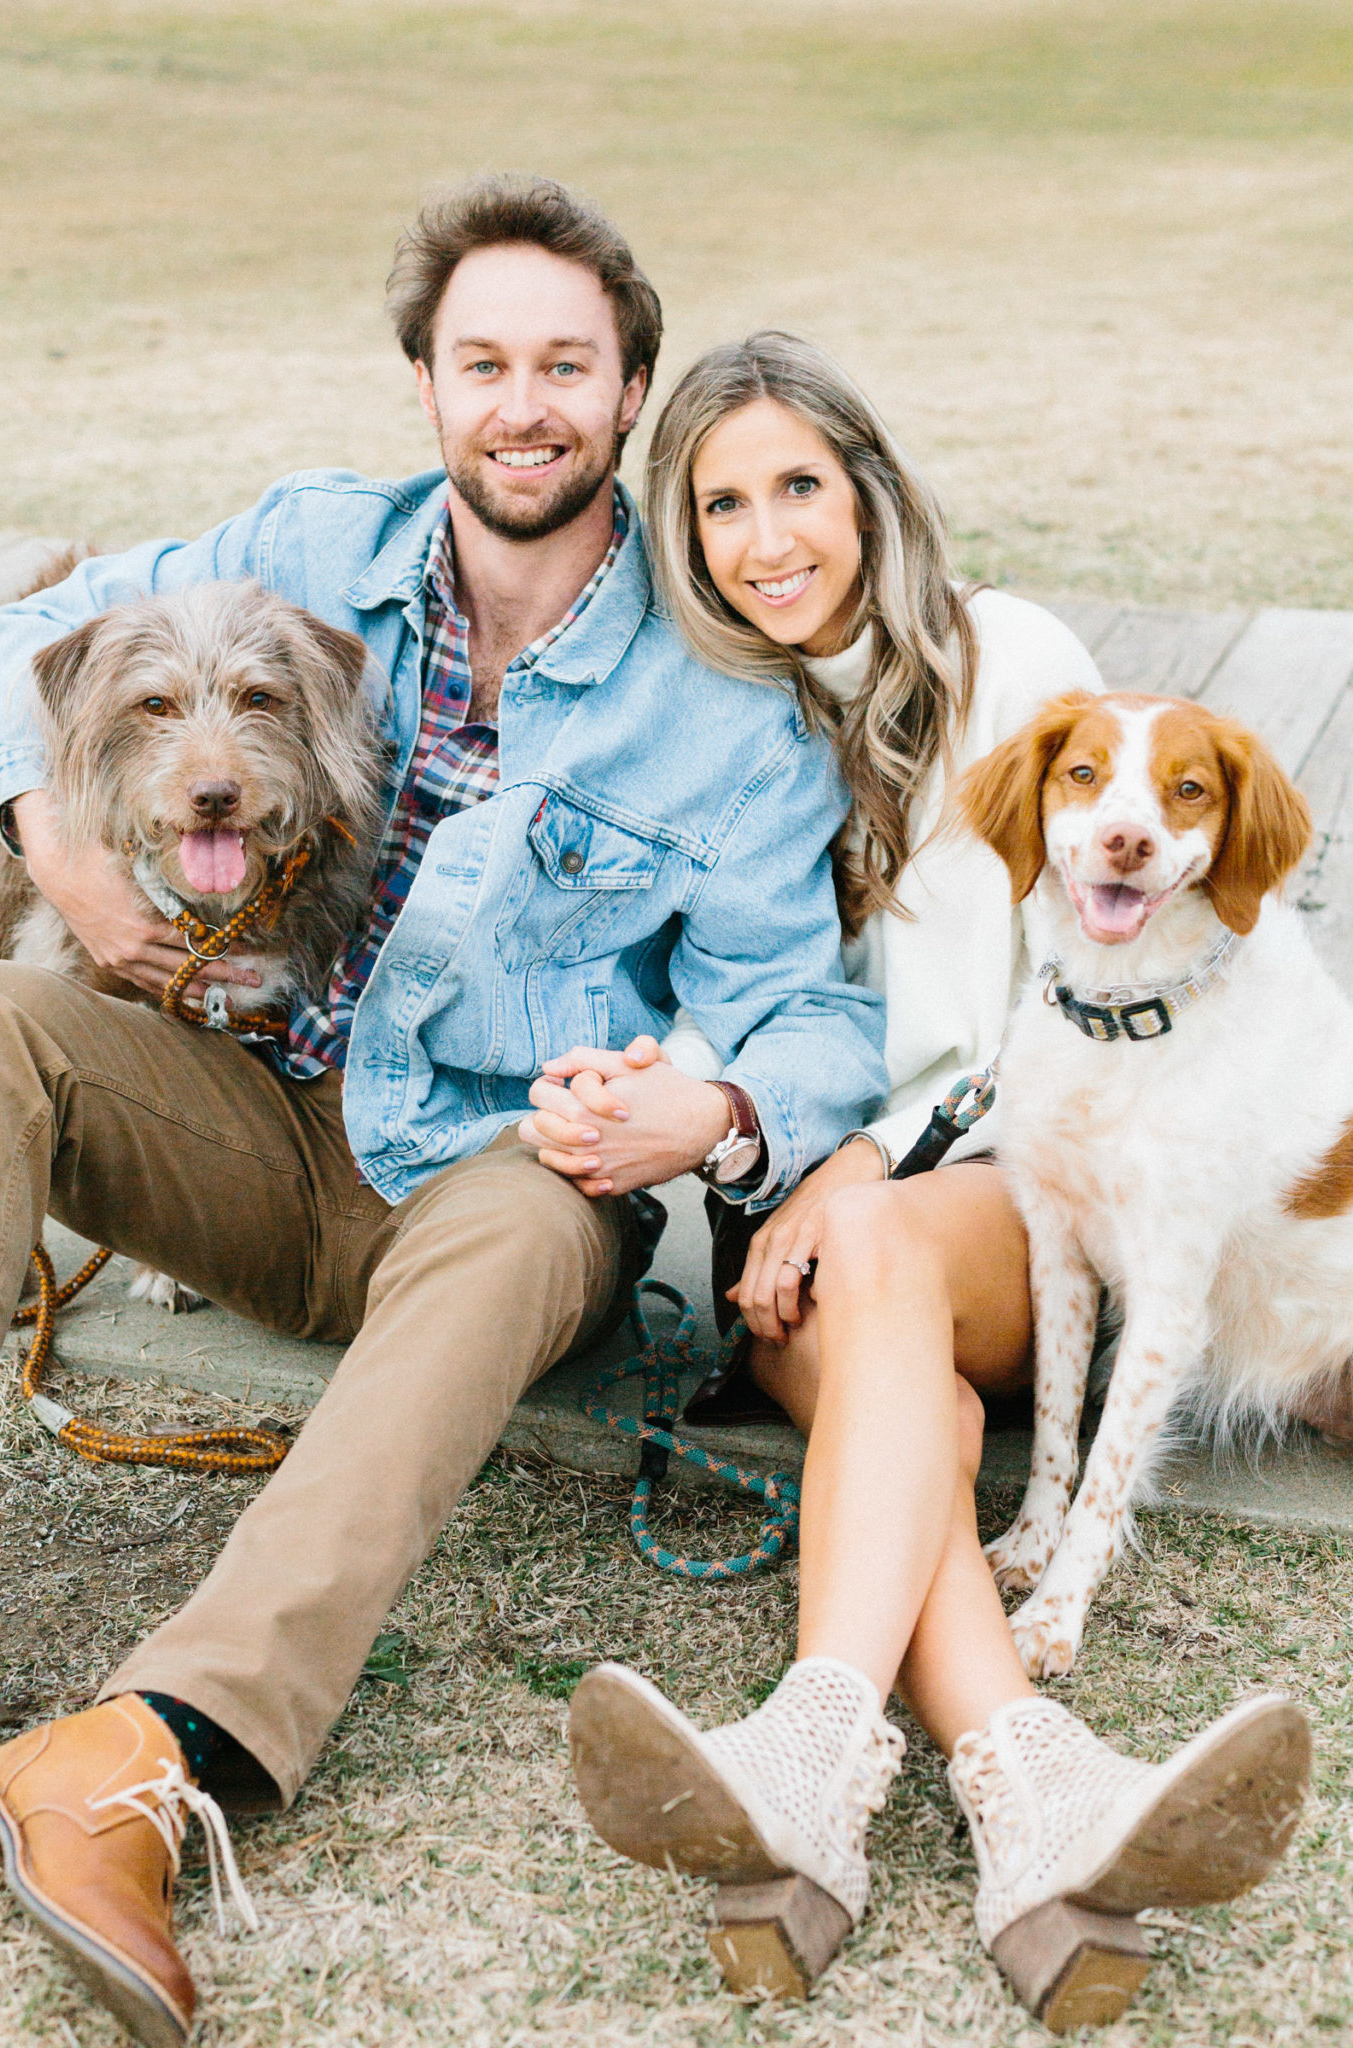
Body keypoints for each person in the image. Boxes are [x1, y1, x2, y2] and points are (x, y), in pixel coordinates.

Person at [0, 193, 887, 2048]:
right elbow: (40, 634)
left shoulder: (729, 709)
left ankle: (154, 1751)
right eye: (484, 365)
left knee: (528, 1214)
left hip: (498, 1193)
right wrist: (63, 861)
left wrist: (713, 1103)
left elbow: (821, 1014)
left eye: (566, 369)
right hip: (257, 1137)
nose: (524, 407)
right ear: (427, 385)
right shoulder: (306, 542)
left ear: (630, 393)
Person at [531, 334, 1310, 2025]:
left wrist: (862, 1160)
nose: (766, 538)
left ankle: (814, 1742)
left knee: (877, 1244)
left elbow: (1049, 1006)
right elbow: (686, 993)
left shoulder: (1010, 662)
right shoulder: (703, 714)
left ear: (870, 495)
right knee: (925, 1440)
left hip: (985, 1191)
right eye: (720, 503)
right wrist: (670, 1095)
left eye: (799, 485)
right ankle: (1032, 1798)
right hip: (784, 1227)